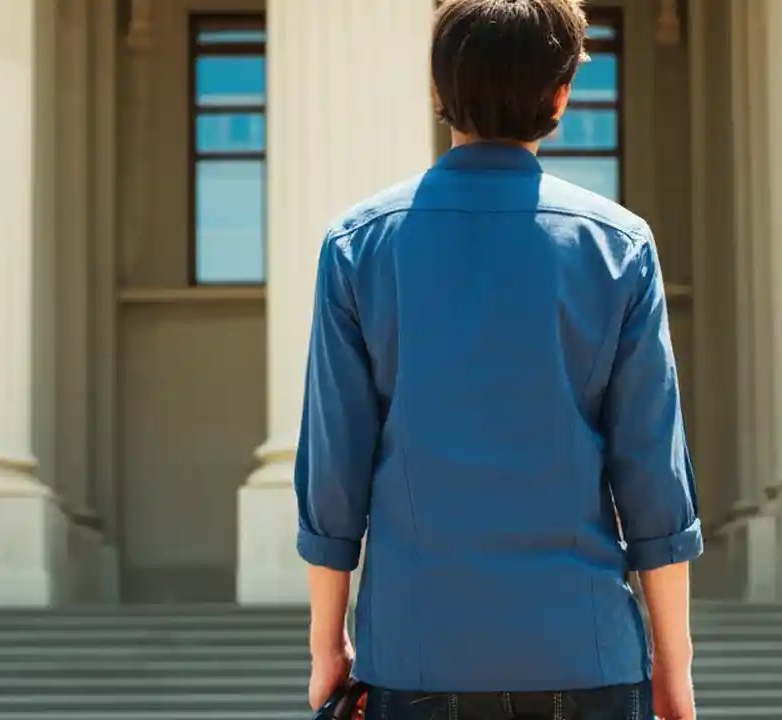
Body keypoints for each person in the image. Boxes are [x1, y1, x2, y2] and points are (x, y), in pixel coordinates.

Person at [293, 1, 702, 718]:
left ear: (438, 90)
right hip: (587, 655)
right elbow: (652, 480)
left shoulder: (358, 244)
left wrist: (328, 643)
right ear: (561, 95)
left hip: (415, 655)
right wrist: (674, 665)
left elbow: (334, 472)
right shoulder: (620, 245)